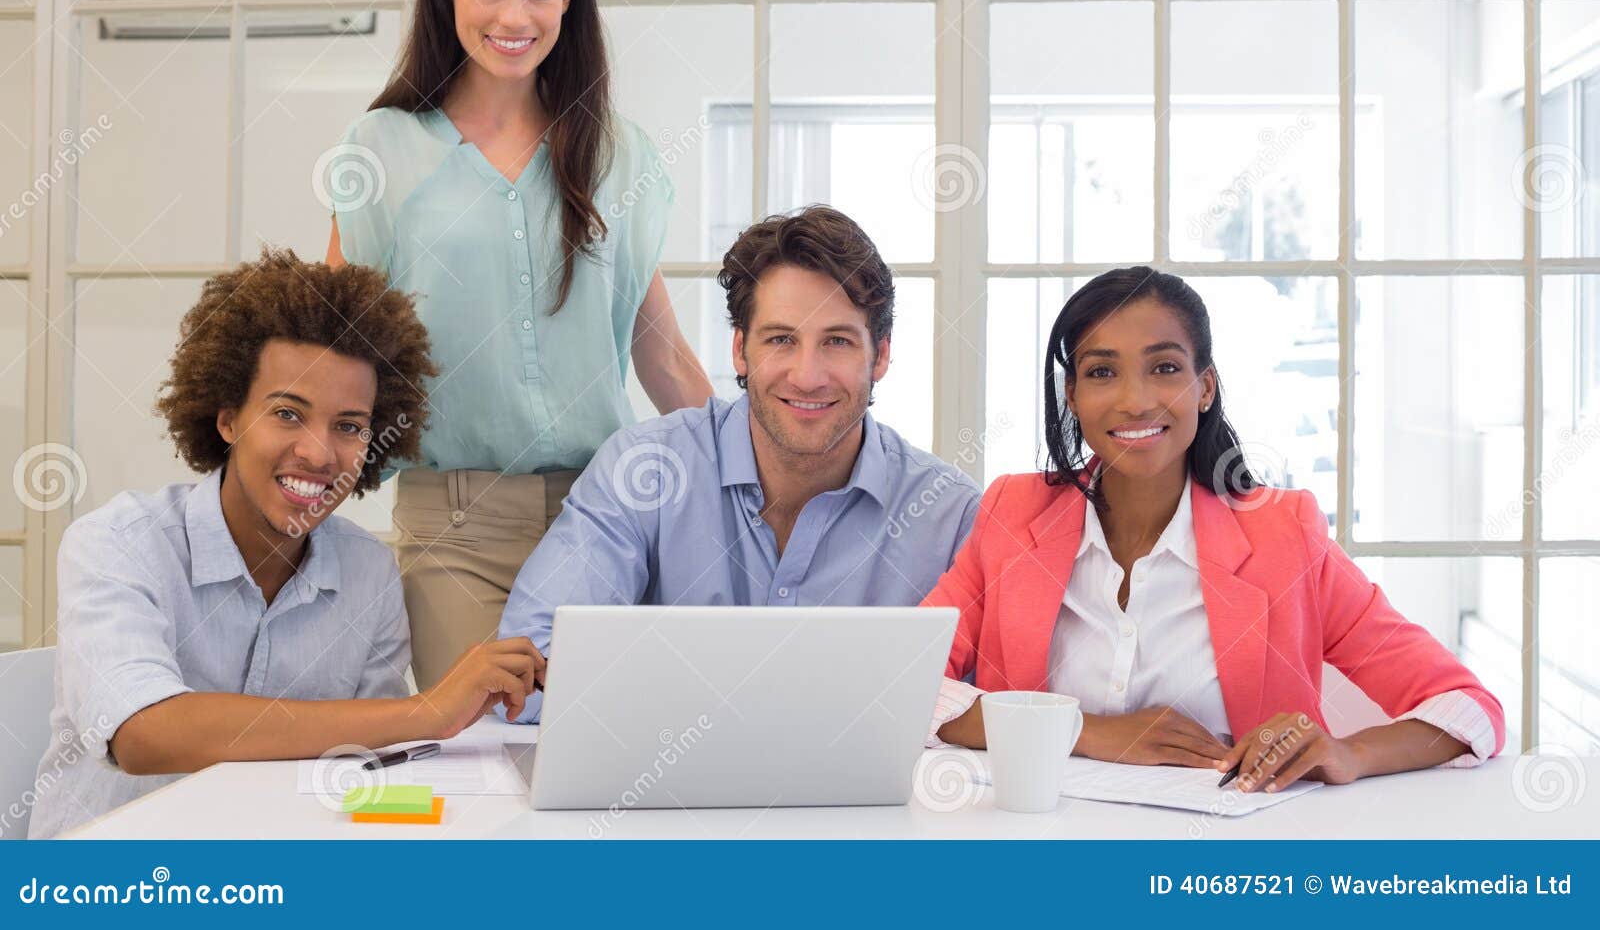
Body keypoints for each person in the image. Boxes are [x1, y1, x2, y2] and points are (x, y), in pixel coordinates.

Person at [325, 0, 711, 688]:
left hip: (606, 515)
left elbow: (661, 354)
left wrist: (762, 475)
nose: (515, 17)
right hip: (455, 527)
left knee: (603, 762)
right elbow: (334, 352)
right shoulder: (381, 149)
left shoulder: (617, 153)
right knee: (483, 764)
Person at [925, 266, 1504, 792]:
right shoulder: (1014, 514)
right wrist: (1087, 731)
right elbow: (901, 690)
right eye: (1103, 371)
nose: (1136, 399)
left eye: (1165, 368)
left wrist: (1346, 753)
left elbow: (1468, 708)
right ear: (1072, 395)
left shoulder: (1284, 534)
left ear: (1204, 388)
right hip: (1040, 843)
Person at [29, 250, 543, 838]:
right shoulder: (117, 544)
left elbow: (365, 756)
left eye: (348, 426)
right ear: (227, 419)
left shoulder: (368, 574)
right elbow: (144, 733)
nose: (320, 453)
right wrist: (424, 713)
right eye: (287, 414)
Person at [499, 207, 983, 719]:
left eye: (837, 341)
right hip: (663, 787)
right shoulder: (646, 469)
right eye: (781, 340)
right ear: (740, 350)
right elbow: (526, 673)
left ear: (880, 355)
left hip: (864, 799)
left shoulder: (948, 515)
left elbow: (979, 707)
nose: (807, 375)